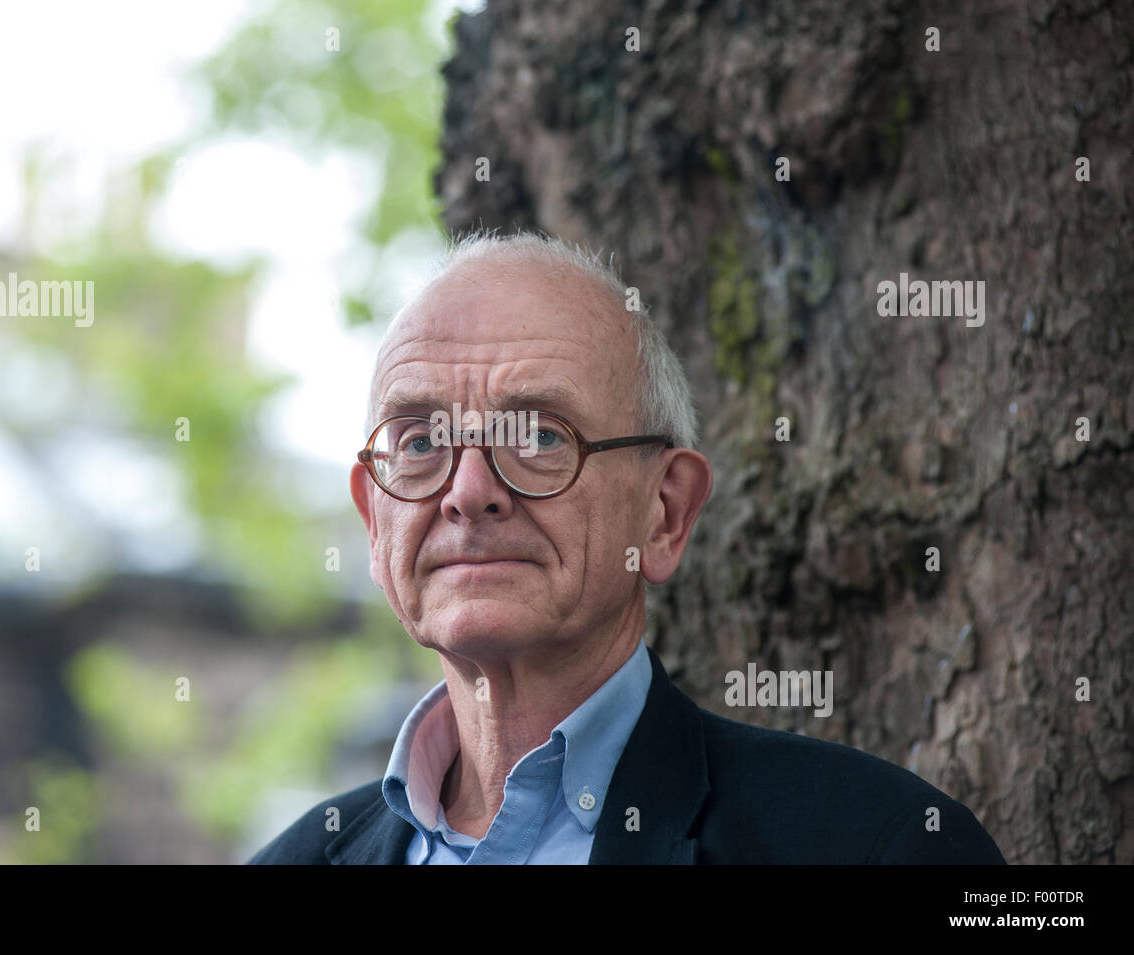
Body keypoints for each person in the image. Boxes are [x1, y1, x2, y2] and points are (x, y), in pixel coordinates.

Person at [249, 231, 1005, 865]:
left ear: (665, 514)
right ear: (375, 524)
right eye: (419, 440)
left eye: (539, 434)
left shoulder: (879, 846)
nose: (467, 489)